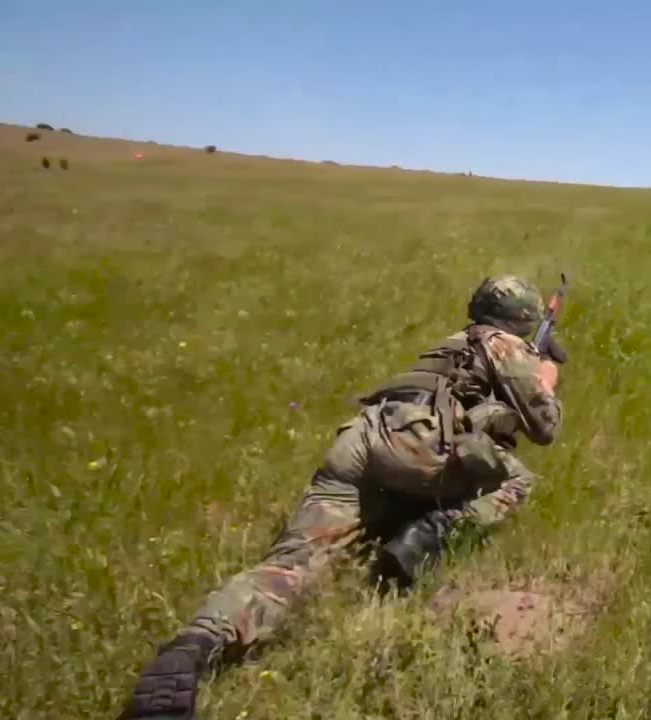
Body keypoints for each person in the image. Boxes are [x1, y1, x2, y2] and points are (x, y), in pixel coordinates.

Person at [119, 275, 565, 720]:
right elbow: (545, 429)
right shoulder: (508, 347)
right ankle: (429, 534)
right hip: (421, 449)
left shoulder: (451, 344)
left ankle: (194, 644)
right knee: (517, 480)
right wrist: (545, 380)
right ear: (523, 320)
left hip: (361, 441)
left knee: (292, 563)